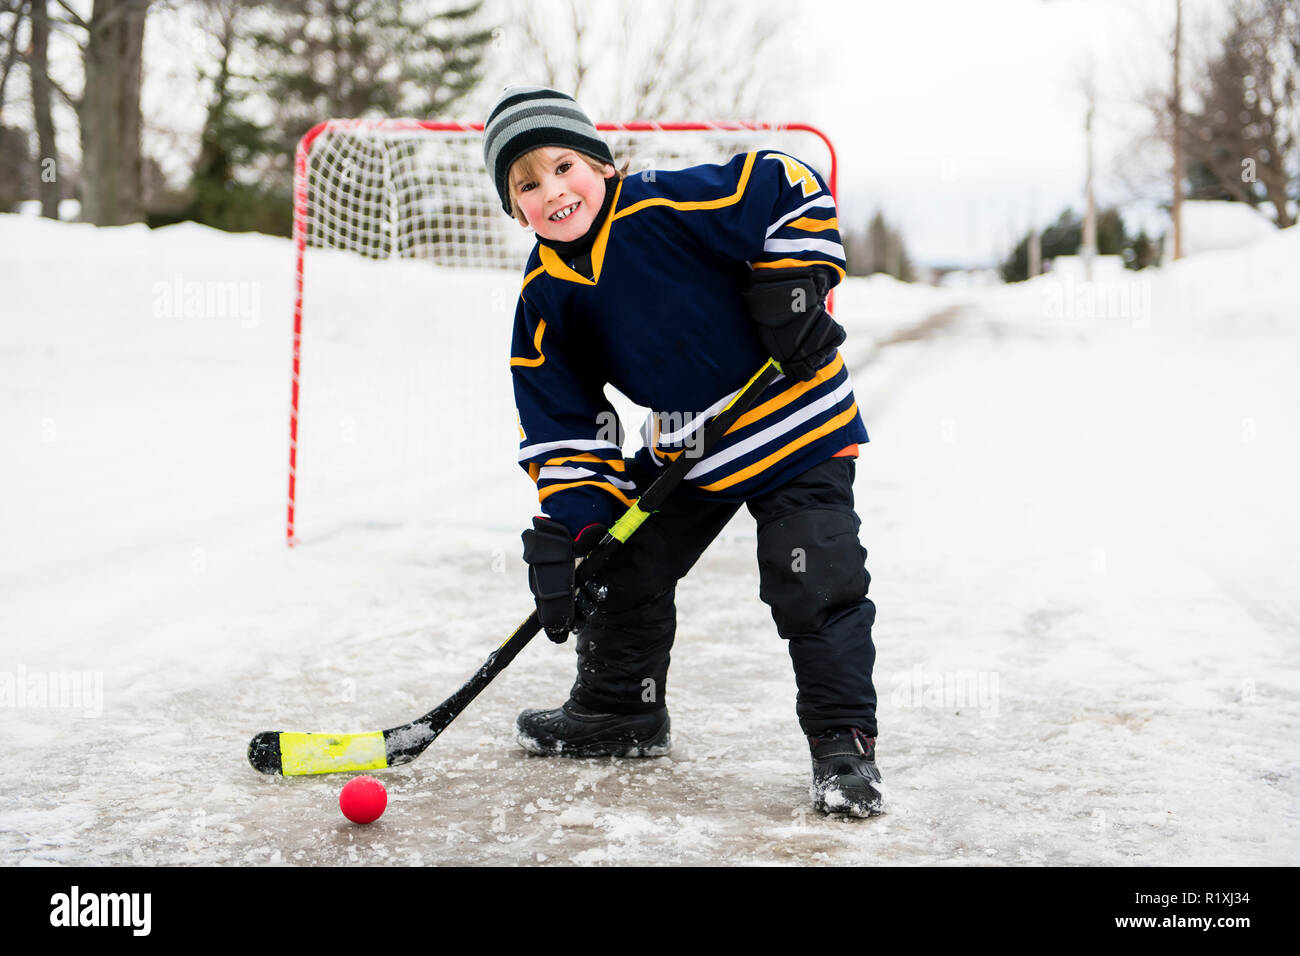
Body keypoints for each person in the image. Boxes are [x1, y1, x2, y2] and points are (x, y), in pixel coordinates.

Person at [482, 86, 884, 817]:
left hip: (799, 423)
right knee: (617, 566)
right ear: (515, 211)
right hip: (692, 448)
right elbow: (563, 421)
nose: (553, 191)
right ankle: (618, 713)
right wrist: (581, 525)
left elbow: (787, 184)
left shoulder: (664, 205)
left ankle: (842, 749)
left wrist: (794, 280)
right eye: (527, 184)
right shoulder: (545, 298)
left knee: (813, 582)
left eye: (564, 165)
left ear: (602, 165)